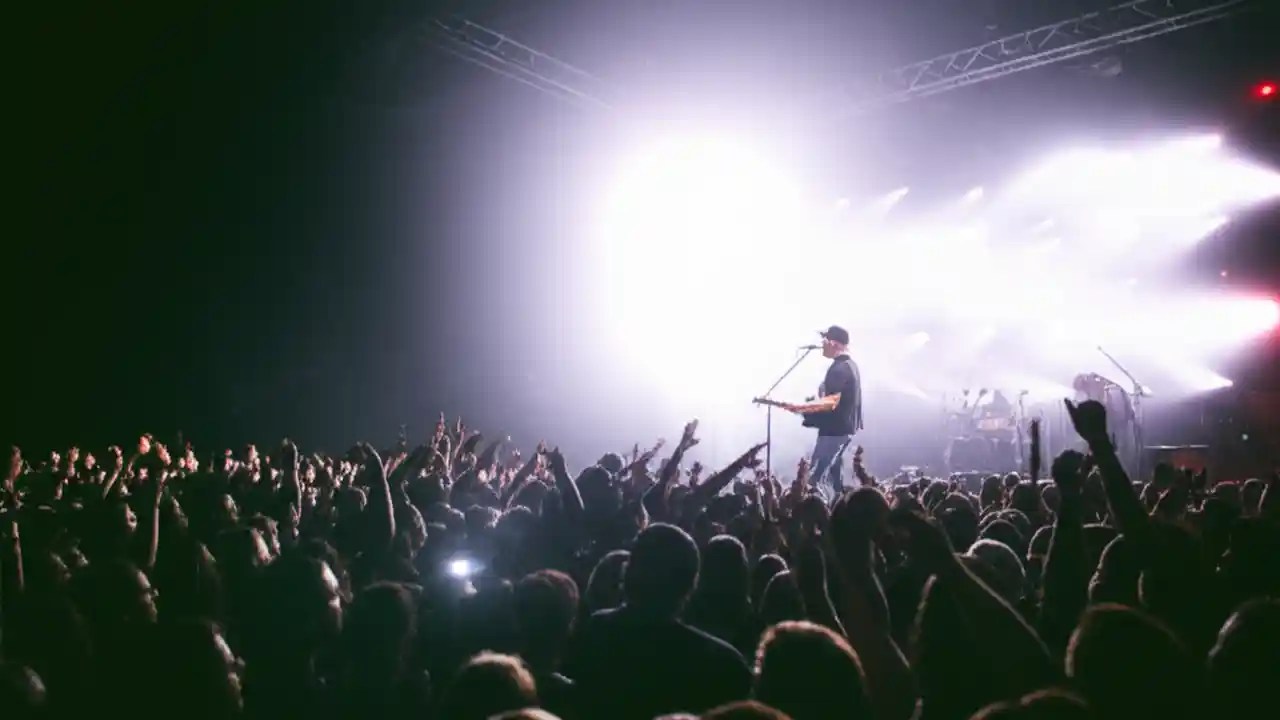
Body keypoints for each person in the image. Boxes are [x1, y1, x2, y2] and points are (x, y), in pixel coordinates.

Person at [782, 326, 863, 499]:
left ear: (834, 343)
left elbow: (831, 402)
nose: (822, 345)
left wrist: (801, 408)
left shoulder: (840, 368)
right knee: (834, 480)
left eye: (825, 341)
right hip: (843, 430)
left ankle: (818, 514)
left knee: (814, 479)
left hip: (834, 432)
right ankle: (836, 510)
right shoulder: (850, 366)